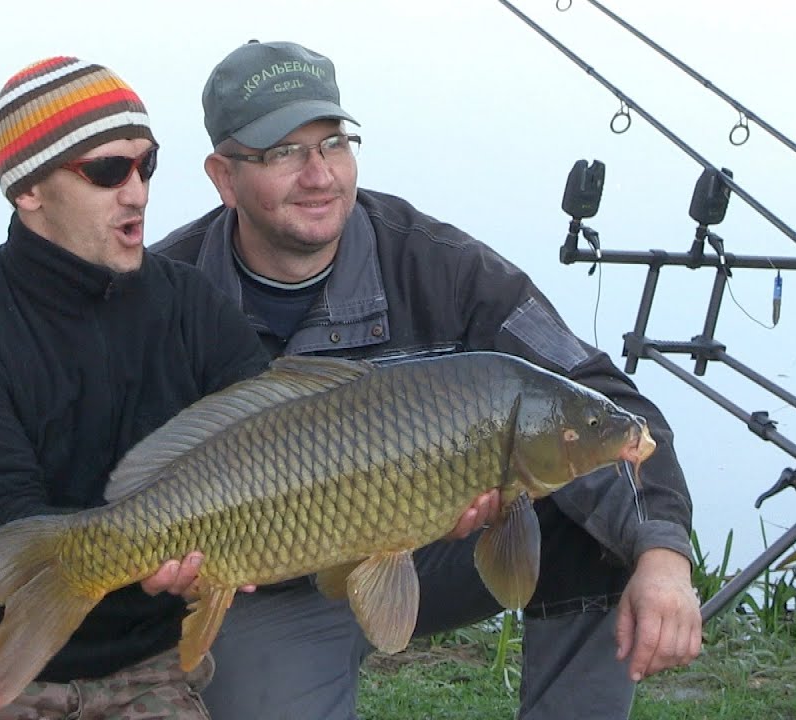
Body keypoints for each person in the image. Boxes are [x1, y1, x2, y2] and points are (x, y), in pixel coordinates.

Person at [153, 40, 702, 720]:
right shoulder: (166, 295)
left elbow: (605, 401)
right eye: (282, 153)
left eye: (334, 144)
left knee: (602, 506)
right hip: (273, 574)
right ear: (223, 176)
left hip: (431, 551)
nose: (320, 175)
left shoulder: (442, 268)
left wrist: (664, 556)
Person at [0, 56, 271, 719]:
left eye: (146, 165)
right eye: (107, 172)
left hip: (140, 661)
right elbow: (3, 524)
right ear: (29, 191)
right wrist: (145, 550)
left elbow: (271, 446)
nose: (136, 192)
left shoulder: (195, 305)